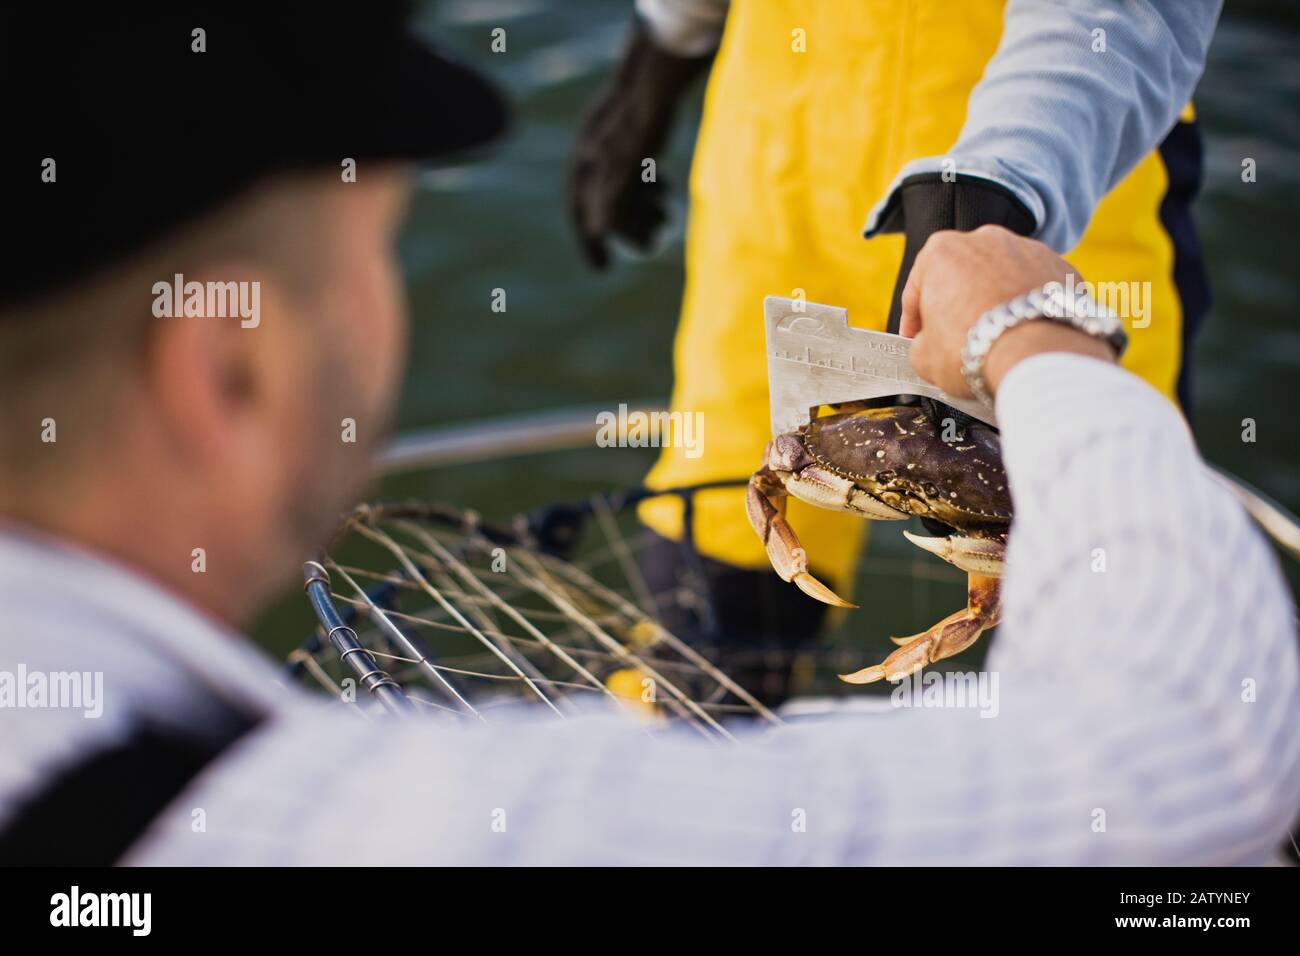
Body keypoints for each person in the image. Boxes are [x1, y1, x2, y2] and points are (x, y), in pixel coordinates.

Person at [1, 11, 1295, 862]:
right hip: (796, 160)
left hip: (1055, 177)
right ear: (232, 374)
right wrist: (1038, 339)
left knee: (1032, 558)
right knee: (724, 572)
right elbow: (1202, 746)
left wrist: (1004, 183)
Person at [569, 0, 1223, 700]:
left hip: (1060, 196)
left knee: (1113, 584)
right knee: (712, 584)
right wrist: (661, 52)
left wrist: (1009, 171)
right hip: (784, 170)